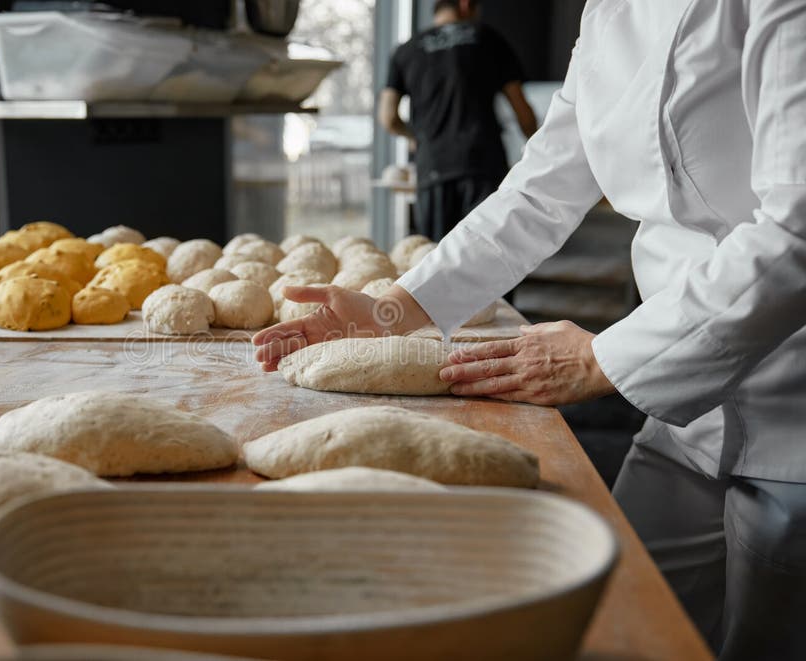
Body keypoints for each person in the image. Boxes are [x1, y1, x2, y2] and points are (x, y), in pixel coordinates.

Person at [255, 1, 806, 658]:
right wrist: (395, 309)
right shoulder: (608, 14)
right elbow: (540, 192)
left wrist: (605, 357)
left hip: (791, 407)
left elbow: (796, 224)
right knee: (615, 623)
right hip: (683, 410)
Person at [378, 0, 538, 241]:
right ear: (466, 6)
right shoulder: (487, 38)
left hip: (433, 167)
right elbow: (521, 107)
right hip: (483, 164)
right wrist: (538, 152)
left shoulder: (406, 50)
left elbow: (388, 117)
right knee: (488, 254)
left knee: (436, 256)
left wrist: (416, 138)